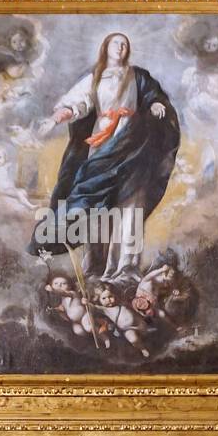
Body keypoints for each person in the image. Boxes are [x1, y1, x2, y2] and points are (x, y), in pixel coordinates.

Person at [28, 32, 179, 278]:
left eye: (124, 44)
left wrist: (154, 104)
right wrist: (54, 120)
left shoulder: (137, 76)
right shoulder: (95, 77)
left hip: (134, 145)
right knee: (98, 206)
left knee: (131, 205)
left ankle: (126, 267)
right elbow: (76, 105)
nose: (120, 47)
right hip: (102, 145)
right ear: (105, 47)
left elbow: (153, 94)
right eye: (115, 43)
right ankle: (95, 268)